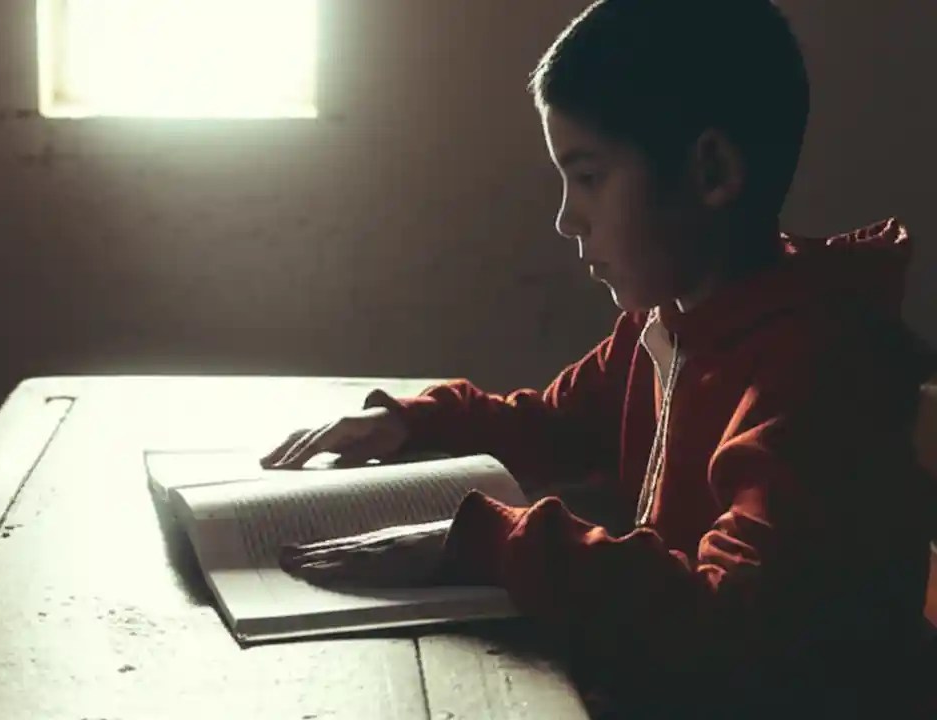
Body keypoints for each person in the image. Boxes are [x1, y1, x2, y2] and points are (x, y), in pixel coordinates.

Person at [261, 0, 936, 716]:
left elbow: (734, 624)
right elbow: (555, 423)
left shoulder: (824, 372)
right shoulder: (670, 321)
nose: (565, 216)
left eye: (587, 175)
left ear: (711, 170)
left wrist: (493, 546)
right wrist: (414, 424)